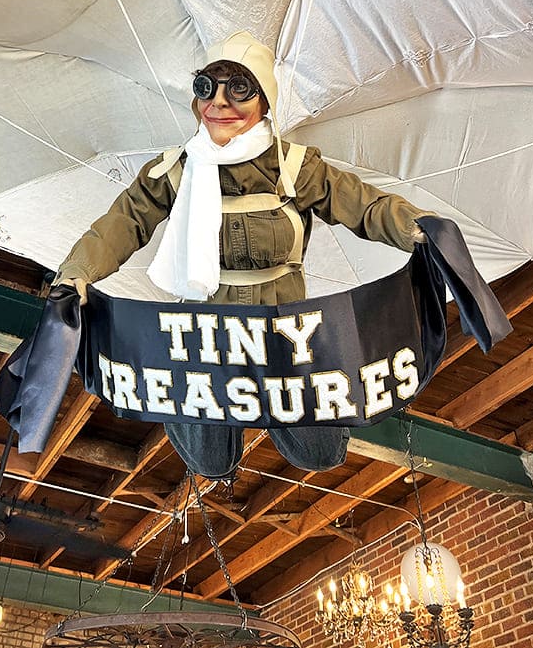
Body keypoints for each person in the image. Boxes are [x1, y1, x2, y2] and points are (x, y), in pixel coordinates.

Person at [55, 30, 432, 477]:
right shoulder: (175, 170)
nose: (219, 103)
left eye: (239, 89)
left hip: (282, 332)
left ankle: (269, 411)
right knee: (210, 462)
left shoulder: (295, 168)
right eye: (206, 88)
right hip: (205, 331)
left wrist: (419, 229)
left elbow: (366, 205)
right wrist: (76, 274)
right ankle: (218, 425)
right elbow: (122, 224)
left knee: (321, 454)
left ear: (264, 101)